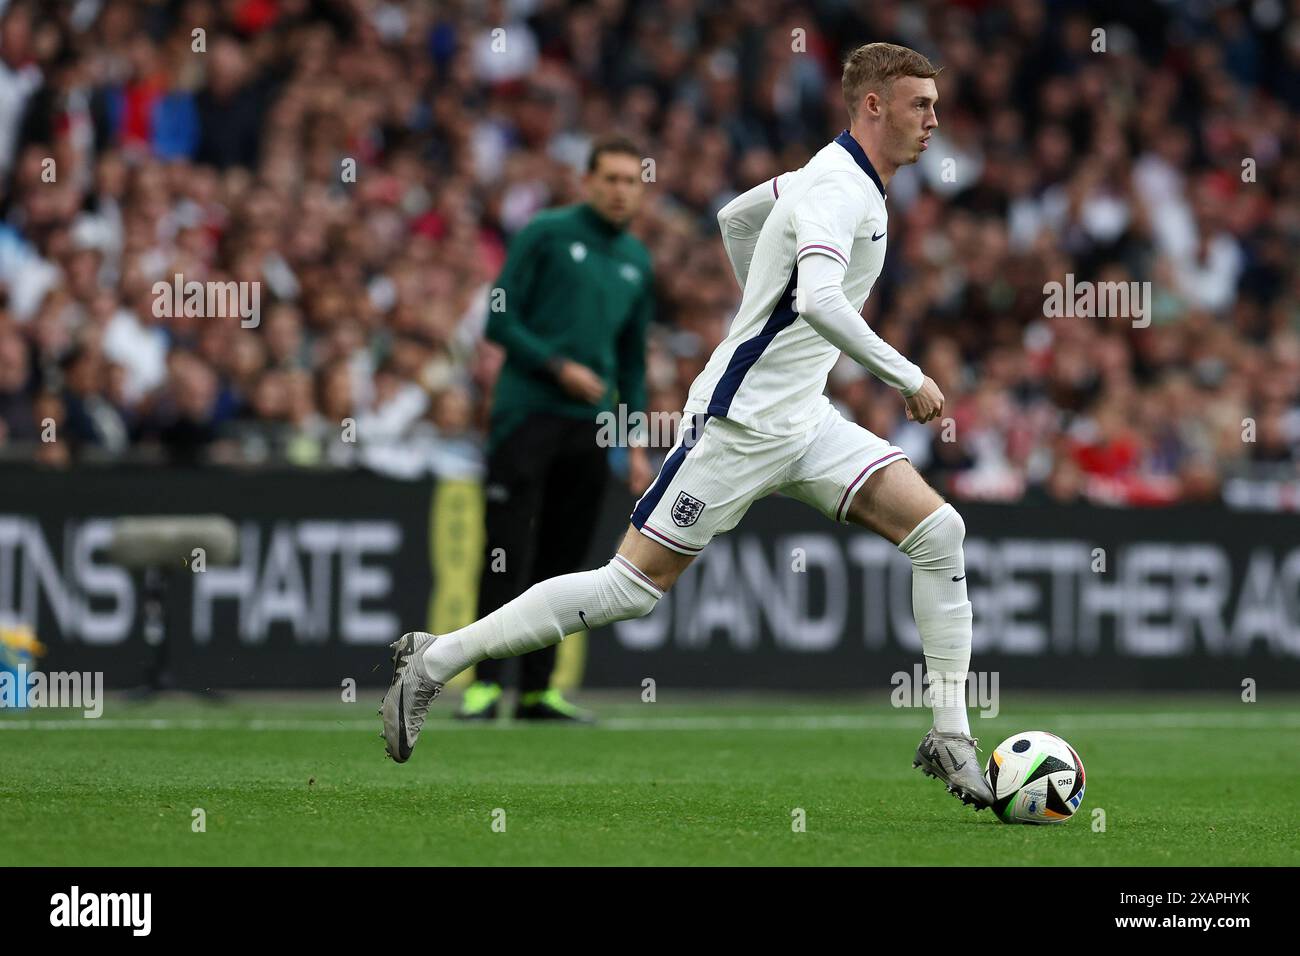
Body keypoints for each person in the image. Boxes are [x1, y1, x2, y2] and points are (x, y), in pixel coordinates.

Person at [381, 43, 995, 811]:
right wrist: (909, 377)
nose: (935, 120)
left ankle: (949, 734)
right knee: (629, 589)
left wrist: (756, 297)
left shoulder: (828, 178)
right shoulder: (839, 188)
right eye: (921, 104)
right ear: (872, 105)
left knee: (940, 534)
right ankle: (437, 659)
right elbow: (819, 301)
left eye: (935, 105)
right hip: (736, 425)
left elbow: (736, 216)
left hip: (804, 420)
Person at [456, 134, 655, 722]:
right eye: (611, 179)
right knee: (505, 550)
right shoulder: (546, 233)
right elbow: (497, 315)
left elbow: (633, 362)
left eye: (630, 180)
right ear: (587, 182)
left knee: (567, 564)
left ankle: (539, 691)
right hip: (527, 414)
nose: (621, 191)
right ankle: (486, 685)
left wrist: (635, 443)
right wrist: (556, 366)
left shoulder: (637, 261)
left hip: (592, 430)